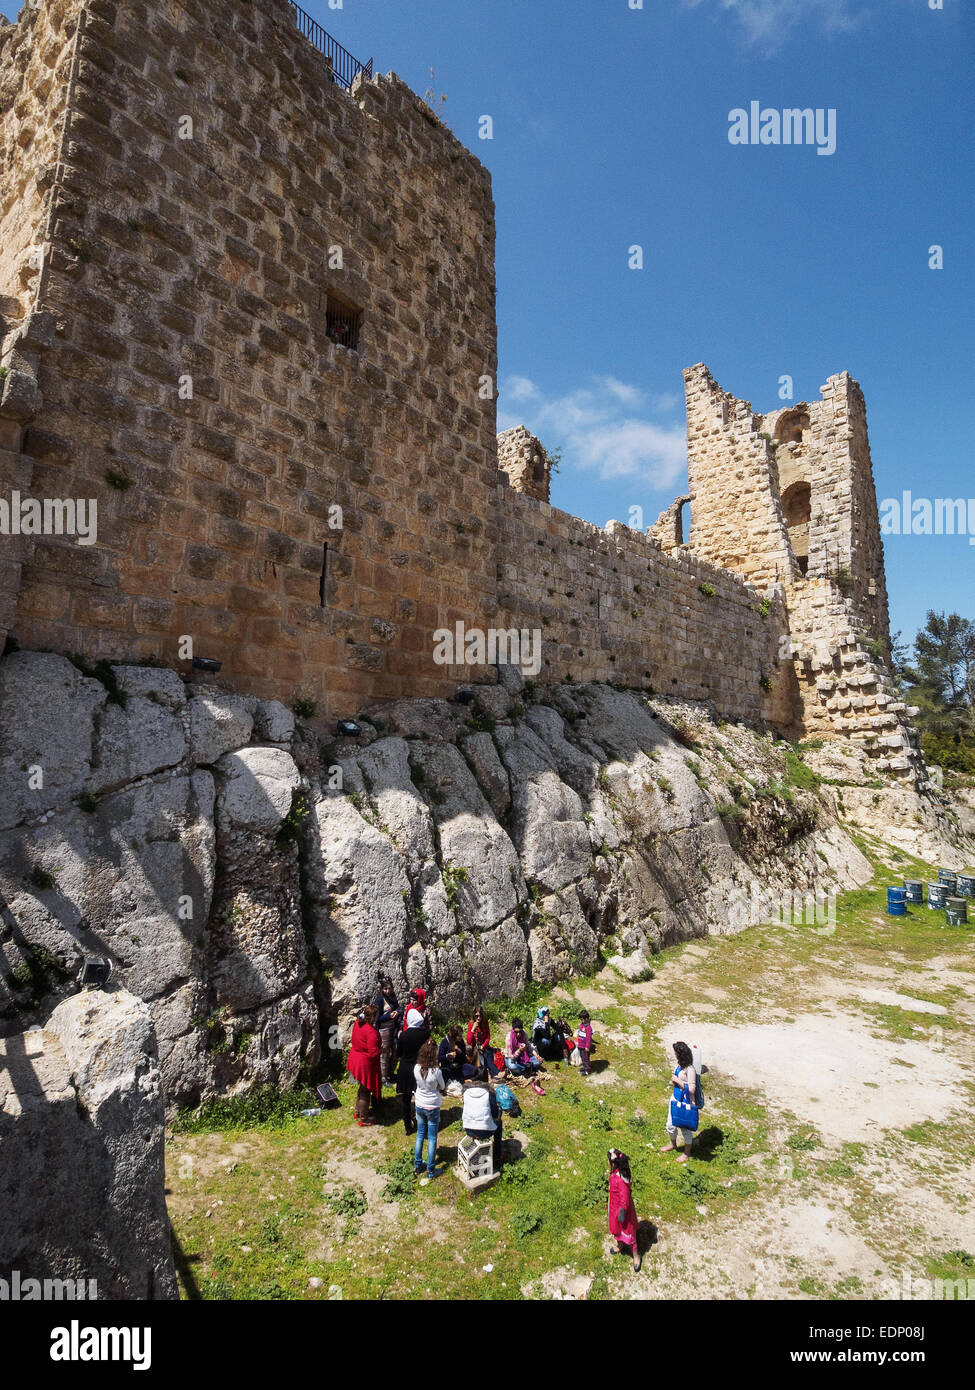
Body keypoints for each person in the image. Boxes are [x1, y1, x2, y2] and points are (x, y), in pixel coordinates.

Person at [660, 1040, 701, 1163]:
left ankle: (686, 1153)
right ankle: (673, 1144)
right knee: (670, 1125)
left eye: (675, 1052)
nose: (674, 1054)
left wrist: (678, 1081)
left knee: (685, 1130)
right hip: (675, 1098)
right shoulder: (679, 1064)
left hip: (686, 1102)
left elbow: (692, 1089)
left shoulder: (690, 1069)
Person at [395, 1005, 431, 1134]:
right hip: (419, 1067)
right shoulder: (424, 1034)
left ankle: (407, 1127)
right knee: (421, 1097)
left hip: (405, 1068)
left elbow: (398, 1053)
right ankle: (423, 1123)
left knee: (406, 1099)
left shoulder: (403, 1036)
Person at [413, 1038, 445, 1180]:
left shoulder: (416, 1068)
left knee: (420, 1134)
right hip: (432, 1105)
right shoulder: (436, 1071)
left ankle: (418, 1164)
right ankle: (431, 1170)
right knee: (432, 1138)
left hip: (419, 1103)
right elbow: (442, 1086)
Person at [346, 1004, 382, 1125]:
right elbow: (373, 1052)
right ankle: (364, 1118)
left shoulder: (358, 1023)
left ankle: (358, 1111)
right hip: (364, 1063)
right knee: (365, 1091)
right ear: (373, 1017)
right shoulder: (371, 1032)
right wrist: (381, 1050)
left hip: (354, 1058)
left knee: (362, 1088)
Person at [461, 1067, 503, 1171]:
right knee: (499, 1122)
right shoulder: (489, 1093)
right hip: (485, 1131)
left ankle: (474, 1144)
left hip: (468, 1129)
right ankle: (497, 1154)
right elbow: (495, 1113)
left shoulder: (466, 1092)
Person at [607, 1149, 641, 1272]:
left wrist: (621, 1214)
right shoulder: (616, 1174)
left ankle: (636, 1256)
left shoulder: (620, 1180)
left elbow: (625, 1199)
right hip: (614, 1208)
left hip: (622, 1212)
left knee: (629, 1233)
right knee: (617, 1230)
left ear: (614, 1163)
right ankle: (620, 1245)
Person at [505, 1017, 544, 1094]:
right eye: (516, 1032)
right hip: (512, 1057)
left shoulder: (524, 1034)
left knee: (538, 1062)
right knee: (512, 1066)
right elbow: (511, 1056)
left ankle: (524, 1069)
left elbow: (529, 1047)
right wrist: (519, 1050)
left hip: (523, 1055)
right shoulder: (509, 1038)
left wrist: (536, 1055)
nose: (518, 1034)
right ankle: (527, 1068)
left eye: (520, 1031)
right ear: (513, 1030)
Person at [373, 976, 401, 1086]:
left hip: (393, 1029)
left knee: (395, 1051)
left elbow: (398, 1008)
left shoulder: (392, 997)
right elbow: (378, 1018)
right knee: (384, 1053)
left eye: (389, 988)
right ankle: (383, 1077)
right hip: (383, 1030)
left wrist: (397, 1012)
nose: (388, 991)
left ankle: (391, 1072)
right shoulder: (380, 1000)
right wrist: (389, 1016)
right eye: (385, 989)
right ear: (382, 989)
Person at [467, 1005, 499, 1076]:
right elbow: (469, 1041)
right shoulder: (471, 1024)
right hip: (475, 1047)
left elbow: (488, 1036)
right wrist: (472, 1029)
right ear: (474, 1016)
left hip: (483, 1046)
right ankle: (494, 1074)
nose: (478, 1018)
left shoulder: (485, 1022)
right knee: (481, 1058)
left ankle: (495, 1074)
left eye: (480, 1016)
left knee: (488, 1055)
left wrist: (483, 1045)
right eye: (476, 1016)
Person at [575, 1010, 594, 1077]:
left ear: (586, 1019)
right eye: (581, 1019)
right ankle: (584, 1067)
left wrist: (587, 1046)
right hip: (580, 1045)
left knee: (586, 1058)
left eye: (582, 1019)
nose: (581, 1021)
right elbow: (580, 1033)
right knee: (582, 1057)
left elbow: (589, 1038)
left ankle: (587, 1070)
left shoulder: (588, 1028)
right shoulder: (582, 1025)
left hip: (585, 1047)